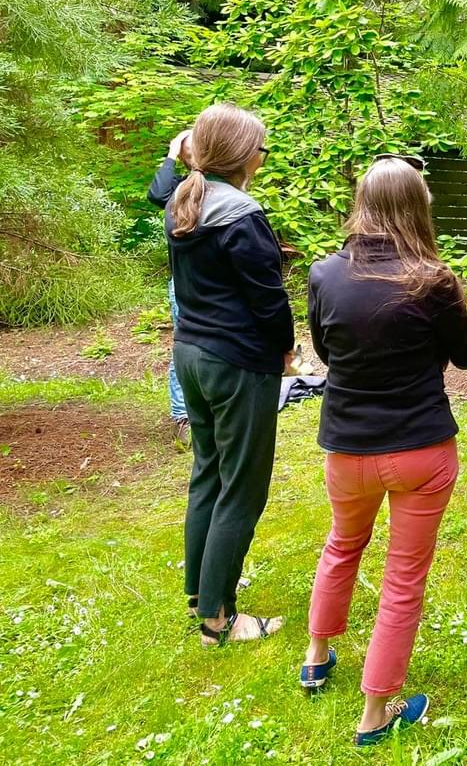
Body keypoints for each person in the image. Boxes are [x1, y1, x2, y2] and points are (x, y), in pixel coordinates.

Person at [301, 157, 467, 747]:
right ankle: (375, 712)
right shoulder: (435, 280)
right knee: (403, 578)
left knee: (341, 545)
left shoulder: (324, 274)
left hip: (347, 449)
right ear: (417, 207)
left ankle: (316, 656)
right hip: (421, 450)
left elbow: (328, 353)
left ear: (363, 203)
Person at [166, 103, 294, 644]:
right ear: (244, 156)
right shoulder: (241, 213)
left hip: (190, 356)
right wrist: (286, 351)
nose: (264, 158)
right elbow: (268, 301)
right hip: (236, 365)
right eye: (261, 149)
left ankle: (202, 588)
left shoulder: (183, 200)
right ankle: (217, 619)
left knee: (209, 473)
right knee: (241, 487)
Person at [147, 131, 194, 448]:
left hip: (214, 282)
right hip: (183, 281)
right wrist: (172, 153)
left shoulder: (221, 186)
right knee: (184, 347)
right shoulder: (178, 189)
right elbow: (156, 193)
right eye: (187, 148)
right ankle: (182, 417)